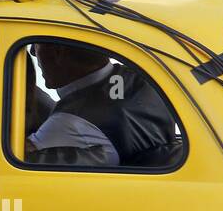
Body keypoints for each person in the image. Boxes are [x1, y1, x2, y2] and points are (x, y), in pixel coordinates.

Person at [26, 42, 177, 168]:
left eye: (36, 45)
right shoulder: (146, 82)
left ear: (58, 52)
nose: (32, 52)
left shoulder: (69, 123)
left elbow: (11, 159)